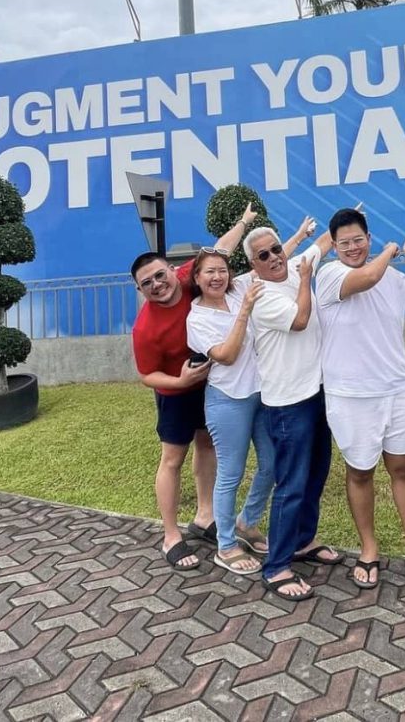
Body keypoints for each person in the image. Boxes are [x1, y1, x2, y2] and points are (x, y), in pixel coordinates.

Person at [185, 215, 318, 576]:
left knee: (273, 464)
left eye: (221, 270)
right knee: (231, 472)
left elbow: (272, 256)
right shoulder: (196, 318)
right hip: (228, 400)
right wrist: (245, 311)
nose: (217, 277)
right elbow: (226, 355)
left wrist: (299, 235)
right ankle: (225, 544)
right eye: (208, 272)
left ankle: (247, 521)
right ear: (196, 279)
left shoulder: (241, 285)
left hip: (262, 393)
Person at [315, 207, 405, 593]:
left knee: (404, 469)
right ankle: (369, 549)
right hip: (351, 396)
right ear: (334, 247)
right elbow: (367, 277)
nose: (352, 248)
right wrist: (388, 252)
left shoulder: (395, 278)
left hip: (397, 389)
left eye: (358, 240)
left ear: (367, 238)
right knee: (360, 472)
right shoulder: (330, 275)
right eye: (344, 243)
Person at [130, 205, 259, 573]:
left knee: (207, 446)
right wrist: (180, 382)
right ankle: (170, 534)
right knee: (172, 459)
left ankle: (204, 517)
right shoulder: (145, 329)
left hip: (211, 385)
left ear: (173, 270)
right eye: (147, 284)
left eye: (160, 275)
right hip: (176, 393)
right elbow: (147, 375)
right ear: (139, 289)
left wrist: (244, 222)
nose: (158, 285)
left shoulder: (189, 279)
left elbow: (220, 250)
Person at [245, 221, 340, 602]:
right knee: (292, 483)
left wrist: (342, 226)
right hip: (287, 403)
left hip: (316, 392)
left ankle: (302, 541)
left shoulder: (295, 262)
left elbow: (322, 243)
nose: (273, 258)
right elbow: (299, 321)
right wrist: (304, 280)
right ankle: (277, 566)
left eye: (275, 249)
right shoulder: (261, 294)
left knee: (316, 474)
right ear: (254, 263)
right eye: (263, 255)